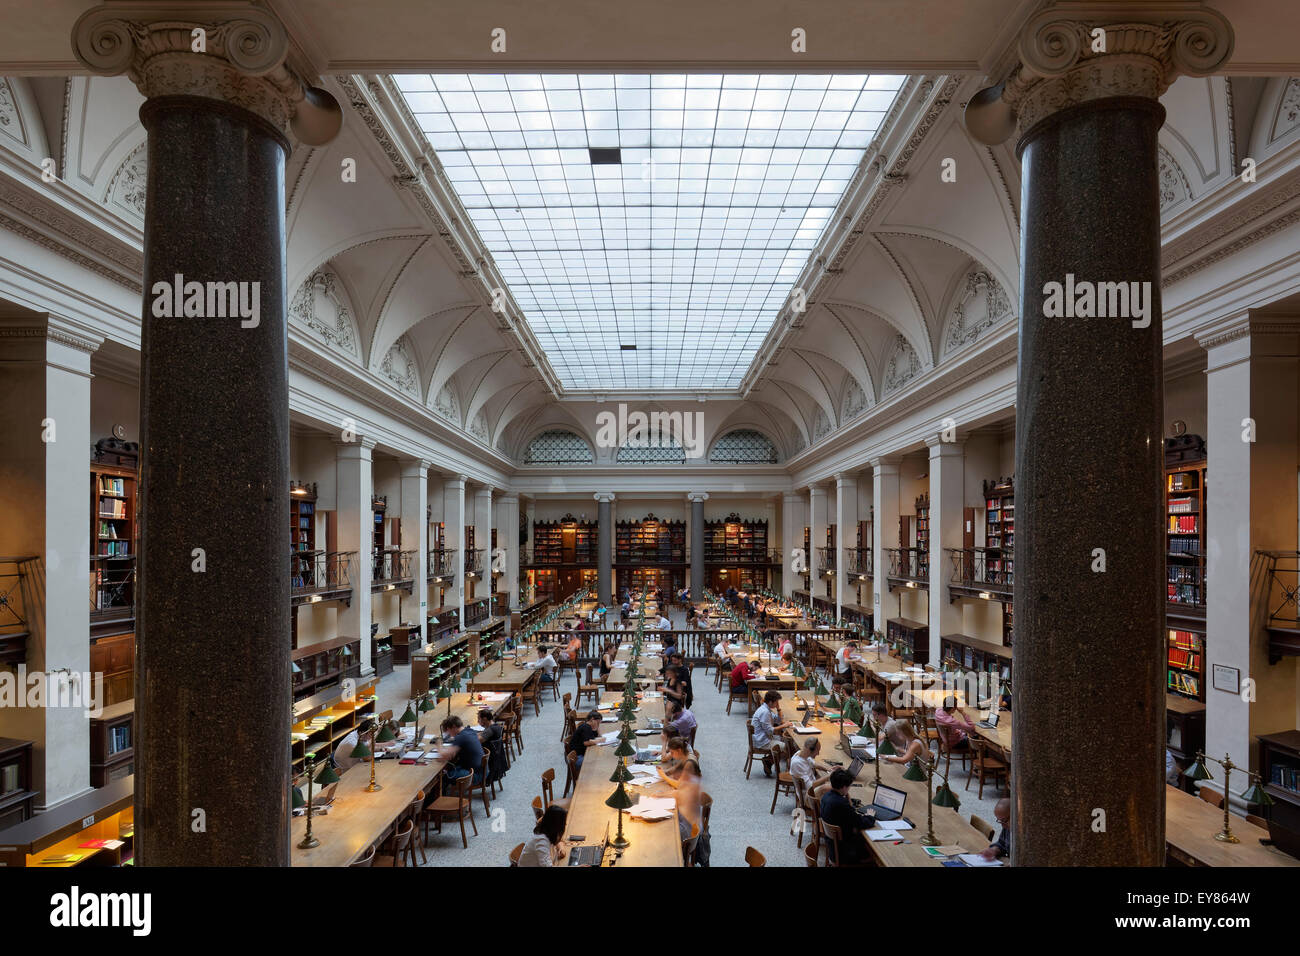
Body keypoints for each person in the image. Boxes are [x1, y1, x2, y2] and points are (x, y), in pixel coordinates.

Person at [819, 768, 874, 865]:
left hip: (832, 846)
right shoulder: (841, 804)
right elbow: (860, 823)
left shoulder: (826, 796)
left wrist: (847, 799)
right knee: (872, 854)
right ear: (844, 787)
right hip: (843, 852)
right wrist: (870, 816)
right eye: (849, 786)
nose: (849, 789)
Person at [658, 756, 703, 862]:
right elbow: (676, 792)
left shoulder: (691, 787)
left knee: (659, 833)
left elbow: (677, 794)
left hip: (686, 832)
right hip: (687, 825)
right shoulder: (692, 781)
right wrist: (661, 794)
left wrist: (659, 795)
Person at [751, 689, 792, 777]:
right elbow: (770, 730)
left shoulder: (766, 708)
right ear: (770, 702)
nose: (777, 704)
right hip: (762, 741)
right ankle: (770, 762)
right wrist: (784, 726)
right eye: (776, 702)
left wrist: (779, 708)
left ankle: (768, 761)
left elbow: (778, 720)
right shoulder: (765, 712)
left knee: (785, 744)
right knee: (788, 747)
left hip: (764, 737)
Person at [438, 715, 485, 784]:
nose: (449, 735)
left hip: (474, 775)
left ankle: (443, 794)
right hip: (482, 771)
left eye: (448, 731)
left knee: (442, 776)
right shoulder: (470, 730)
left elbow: (445, 757)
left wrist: (438, 745)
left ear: (453, 727)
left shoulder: (460, 737)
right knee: (450, 767)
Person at [477, 707, 507, 787]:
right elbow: (482, 734)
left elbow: (478, 740)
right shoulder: (495, 726)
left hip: (489, 760)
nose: (478, 722)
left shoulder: (490, 730)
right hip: (495, 759)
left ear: (485, 719)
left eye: (479, 719)